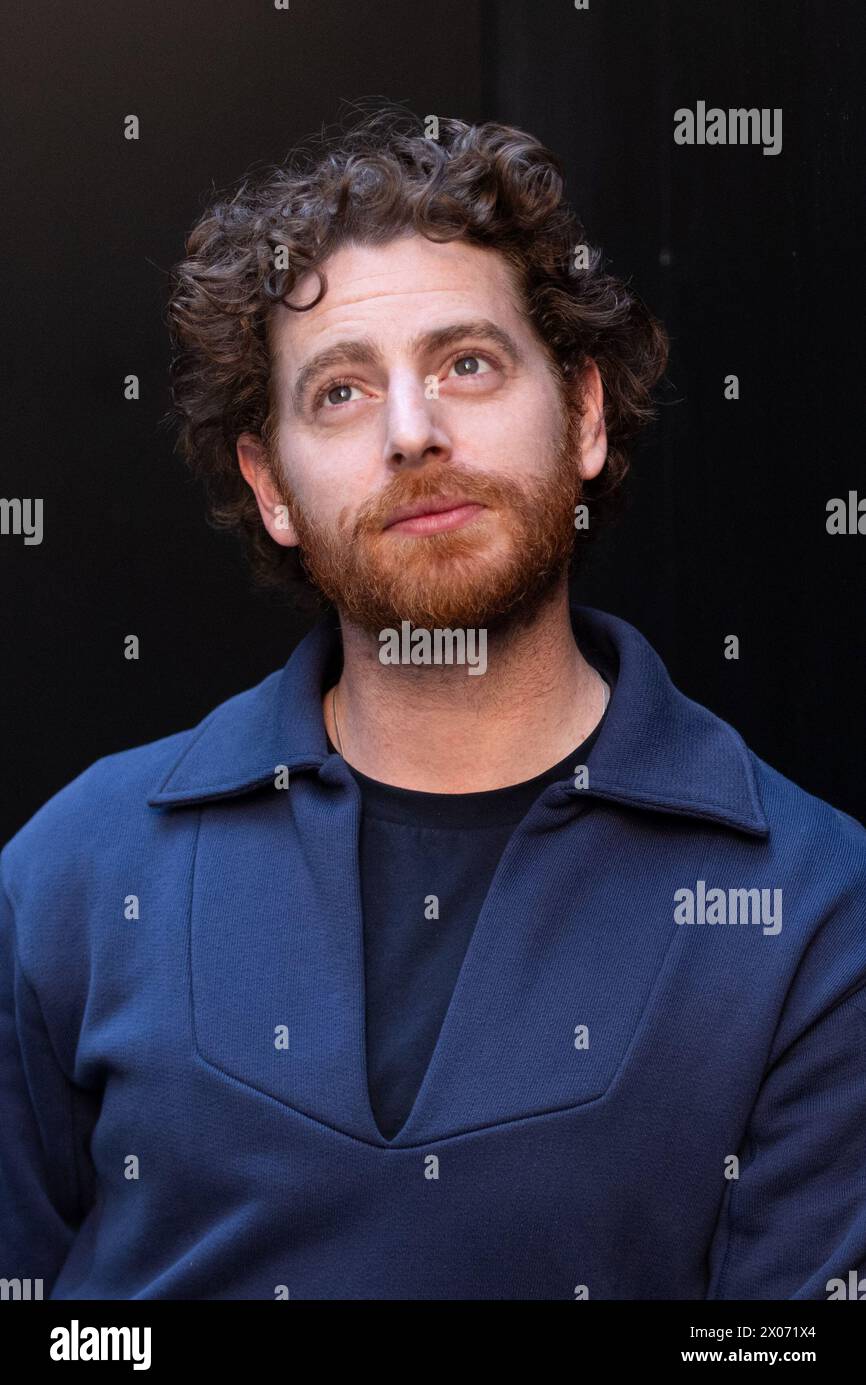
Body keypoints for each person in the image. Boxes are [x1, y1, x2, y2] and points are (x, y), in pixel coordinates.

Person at [2, 109, 864, 1301]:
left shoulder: (813, 905)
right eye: (342, 392)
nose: (414, 433)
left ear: (585, 418)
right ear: (272, 487)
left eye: (467, 363)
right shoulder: (72, 873)